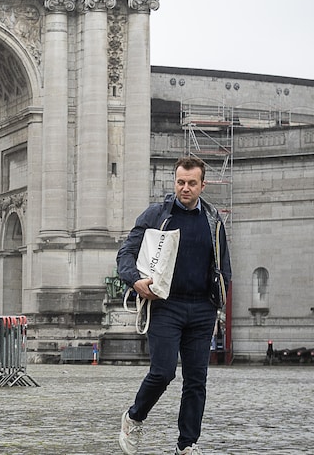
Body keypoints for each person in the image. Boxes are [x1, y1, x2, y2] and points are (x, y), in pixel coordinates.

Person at [116, 155, 232, 455]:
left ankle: (187, 444)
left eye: (192, 183)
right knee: (163, 372)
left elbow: (224, 266)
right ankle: (134, 416)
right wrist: (135, 281)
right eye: (181, 182)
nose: (185, 188)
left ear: (202, 185)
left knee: (196, 381)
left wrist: (218, 301)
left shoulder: (214, 220)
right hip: (165, 305)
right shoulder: (156, 215)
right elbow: (125, 254)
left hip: (202, 309)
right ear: (174, 182)